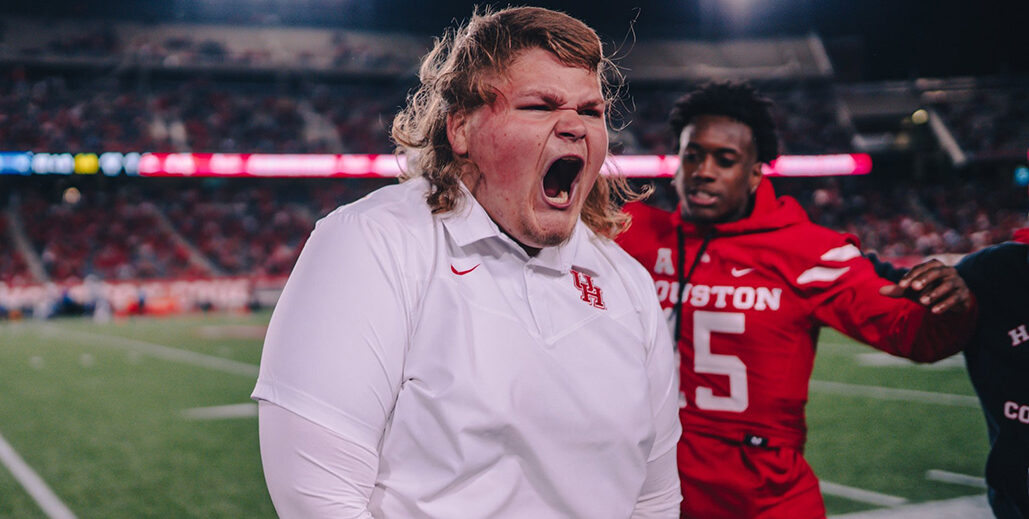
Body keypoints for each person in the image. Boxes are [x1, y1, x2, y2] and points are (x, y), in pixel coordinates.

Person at [251, 7, 681, 518]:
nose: (574, 127)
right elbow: (318, 499)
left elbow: (653, 500)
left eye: (591, 111)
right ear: (462, 128)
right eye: (541, 105)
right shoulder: (372, 244)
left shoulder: (627, 284)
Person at [616, 81, 977, 518]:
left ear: (754, 174)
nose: (703, 170)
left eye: (725, 160)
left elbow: (915, 336)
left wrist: (954, 306)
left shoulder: (807, 250)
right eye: (693, 155)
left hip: (763, 498)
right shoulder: (631, 234)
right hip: (656, 495)